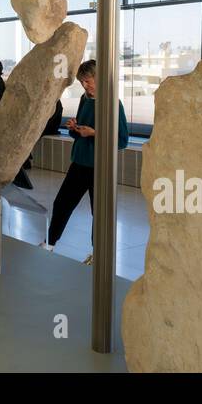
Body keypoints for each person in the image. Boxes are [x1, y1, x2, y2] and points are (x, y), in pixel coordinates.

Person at [41, 59, 129, 263]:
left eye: (88, 81)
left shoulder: (113, 103)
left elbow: (121, 140)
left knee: (99, 213)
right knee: (62, 203)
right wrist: (76, 128)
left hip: (100, 167)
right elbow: (80, 133)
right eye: (82, 82)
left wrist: (95, 133)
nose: (85, 85)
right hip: (79, 162)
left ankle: (98, 255)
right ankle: (49, 243)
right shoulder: (84, 99)